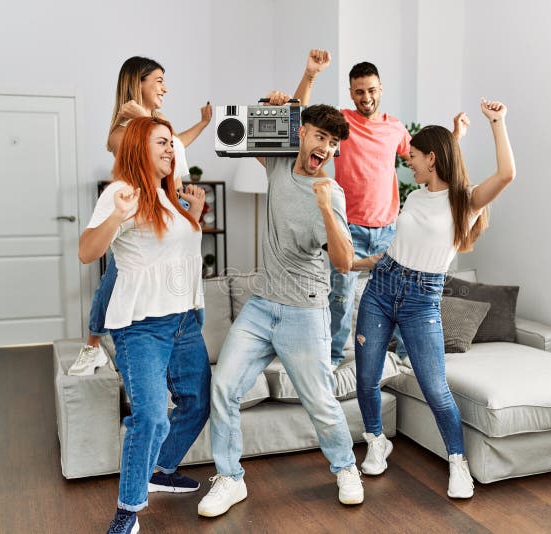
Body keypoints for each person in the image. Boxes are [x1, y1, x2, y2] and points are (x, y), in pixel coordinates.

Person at [197, 99, 364, 518]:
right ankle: (230, 478)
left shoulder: (332, 193)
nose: (325, 147)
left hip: (305, 312)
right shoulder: (277, 163)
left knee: (320, 402)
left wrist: (325, 205)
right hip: (261, 306)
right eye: (319, 136)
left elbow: (344, 261)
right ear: (302, 134)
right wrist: (287, 101)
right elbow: (243, 130)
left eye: (332, 142)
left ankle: (346, 469)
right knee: (223, 387)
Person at [354, 99, 515, 499]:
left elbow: (508, 174)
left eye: (413, 157)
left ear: (431, 158)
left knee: (435, 387)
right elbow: (401, 245)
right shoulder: (415, 197)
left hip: (422, 300)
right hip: (380, 288)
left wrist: (497, 122)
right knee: (366, 377)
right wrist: (360, 263)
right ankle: (376, 441)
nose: (408, 162)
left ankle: (458, 464)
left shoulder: (467, 200)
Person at [79, 116, 211, 534]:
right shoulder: (122, 193)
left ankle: (161, 468)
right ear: (138, 147)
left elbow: (178, 251)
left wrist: (196, 215)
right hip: (141, 329)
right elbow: (86, 251)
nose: (171, 150)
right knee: (151, 417)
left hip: (183, 323)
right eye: (162, 143)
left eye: (172, 144)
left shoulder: (168, 195)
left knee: (197, 401)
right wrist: (116, 217)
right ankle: (127, 511)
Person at [294, 52, 465, 369]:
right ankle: (332, 357)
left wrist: (455, 136)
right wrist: (311, 75)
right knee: (340, 299)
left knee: (402, 297)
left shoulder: (395, 129)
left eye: (371, 90)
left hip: (389, 230)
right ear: (351, 93)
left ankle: (405, 355)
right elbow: (301, 123)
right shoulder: (342, 123)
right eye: (359, 91)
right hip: (350, 231)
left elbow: (429, 158)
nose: (366, 97)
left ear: (381, 89)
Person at [68, 56, 212, 376]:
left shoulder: (156, 122)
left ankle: (173, 340)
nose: (165, 87)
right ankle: (93, 344)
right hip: (143, 211)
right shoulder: (124, 130)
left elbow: (176, 144)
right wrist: (142, 120)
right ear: (138, 83)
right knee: (118, 275)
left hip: (174, 204)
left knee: (175, 272)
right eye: (158, 80)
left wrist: (202, 125)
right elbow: (145, 149)